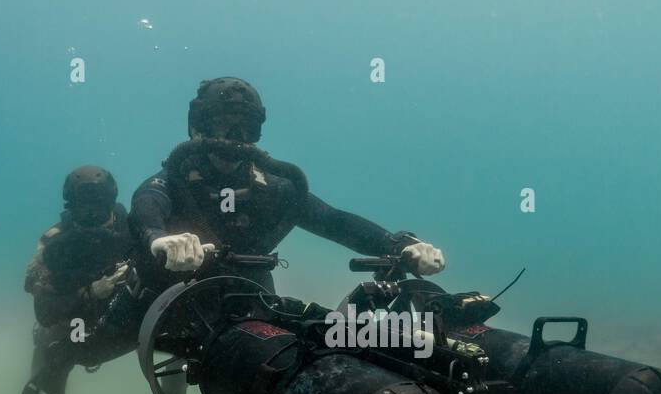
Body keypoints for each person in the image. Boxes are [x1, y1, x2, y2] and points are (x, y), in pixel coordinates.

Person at [129, 77, 446, 294]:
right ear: (197, 125)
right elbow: (148, 203)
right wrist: (159, 241)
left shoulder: (273, 189)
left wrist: (400, 245)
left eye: (247, 126)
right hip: (170, 294)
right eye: (222, 122)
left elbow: (334, 221)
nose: (234, 136)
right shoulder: (173, 181)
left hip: (248, 294)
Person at [20, 165, 136, 394]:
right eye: (83, 207)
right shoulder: (53, 242)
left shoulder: (132, 231)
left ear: (111, 203)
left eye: (98, 205)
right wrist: (91, 291)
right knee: (50, 340)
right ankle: (45, 380)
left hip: (123, 313)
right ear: (71, 207)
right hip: (73, 319)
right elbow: (45, 310)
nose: (92, 213)